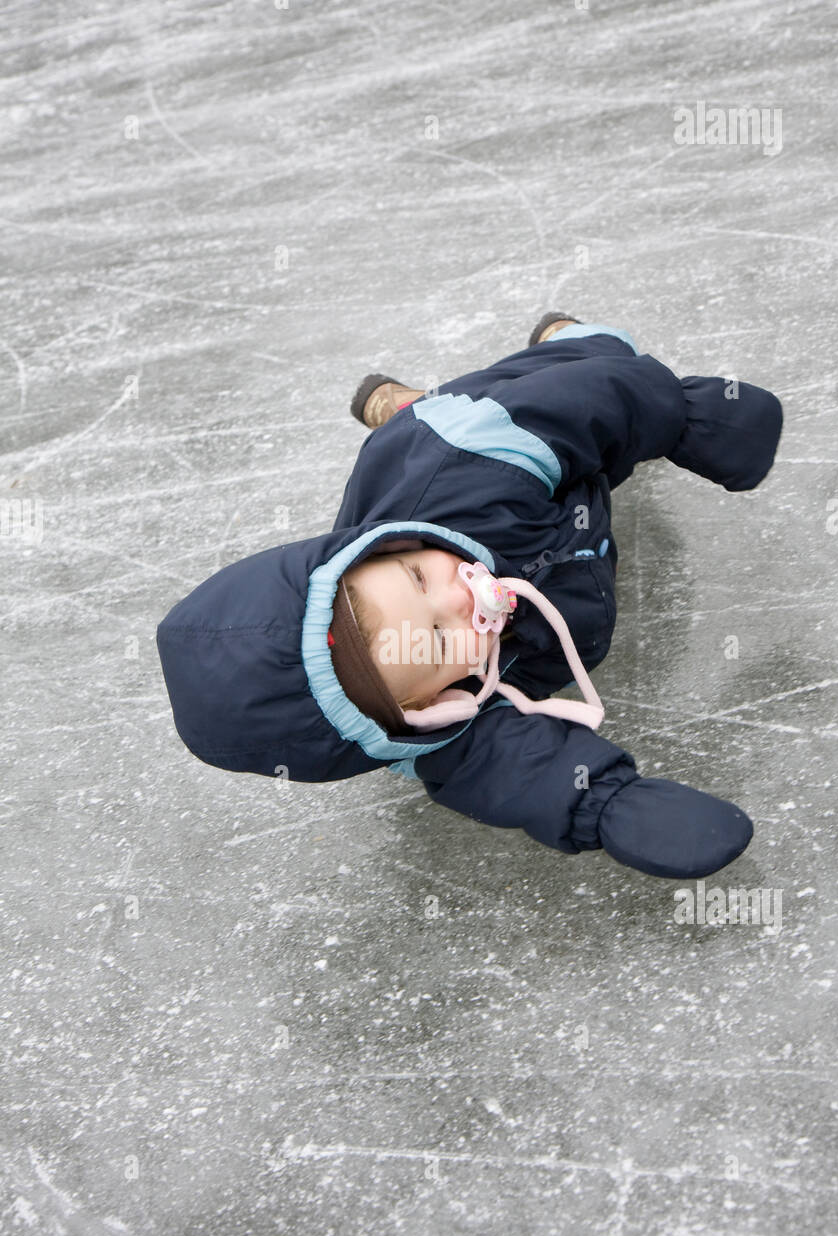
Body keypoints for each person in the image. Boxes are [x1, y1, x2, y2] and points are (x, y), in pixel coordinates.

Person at [156, 313, 783, 878]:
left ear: (388, 550)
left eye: (418, 579)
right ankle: (400, 405)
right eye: (435, 639)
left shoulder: (478, 467)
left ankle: (505, 361)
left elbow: (588, 402)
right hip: (557, 537)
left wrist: (686, 415)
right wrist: (605, 804)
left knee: (601, 353)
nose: (456, 598)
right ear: (430, 705)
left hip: (459, 434)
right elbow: (495, 762)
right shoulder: (425, 720)